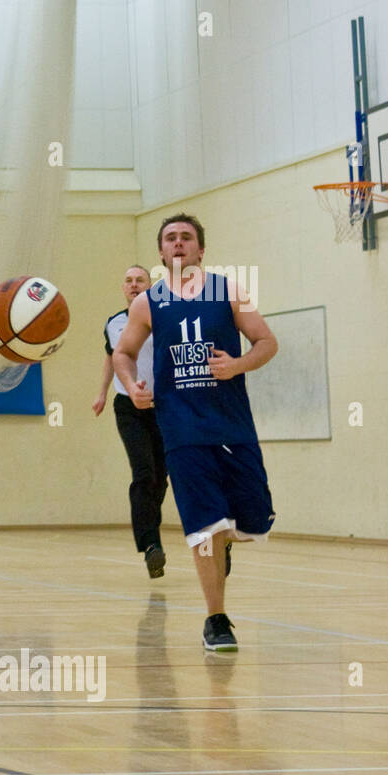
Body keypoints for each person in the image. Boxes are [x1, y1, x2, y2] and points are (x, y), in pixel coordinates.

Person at [113, 213, 278, 652]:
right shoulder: (147, 303)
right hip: (181, 428)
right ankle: (216, 619)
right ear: (161, 252)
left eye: (187, 237)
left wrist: (237, 364)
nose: (179, 243)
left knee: (250, 520)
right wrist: (131, 386)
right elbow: (123, 353)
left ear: (201, 249)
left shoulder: (229, 292)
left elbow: (266, 342)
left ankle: (223, 542)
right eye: (171, 238)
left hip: (232, 424)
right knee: (205, 526)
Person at [92, 264, 170, 578]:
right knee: (143, 472)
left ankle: (152, 535)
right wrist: (101, 392)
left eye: (140, 280)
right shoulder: (115, 323)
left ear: (150, 287)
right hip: (129, 406)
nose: (134, 284)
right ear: (123, 288)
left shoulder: (163, 318)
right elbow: (113, 357)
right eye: (128, 280)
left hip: (163, 405)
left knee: (160, 478)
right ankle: (151, 545)